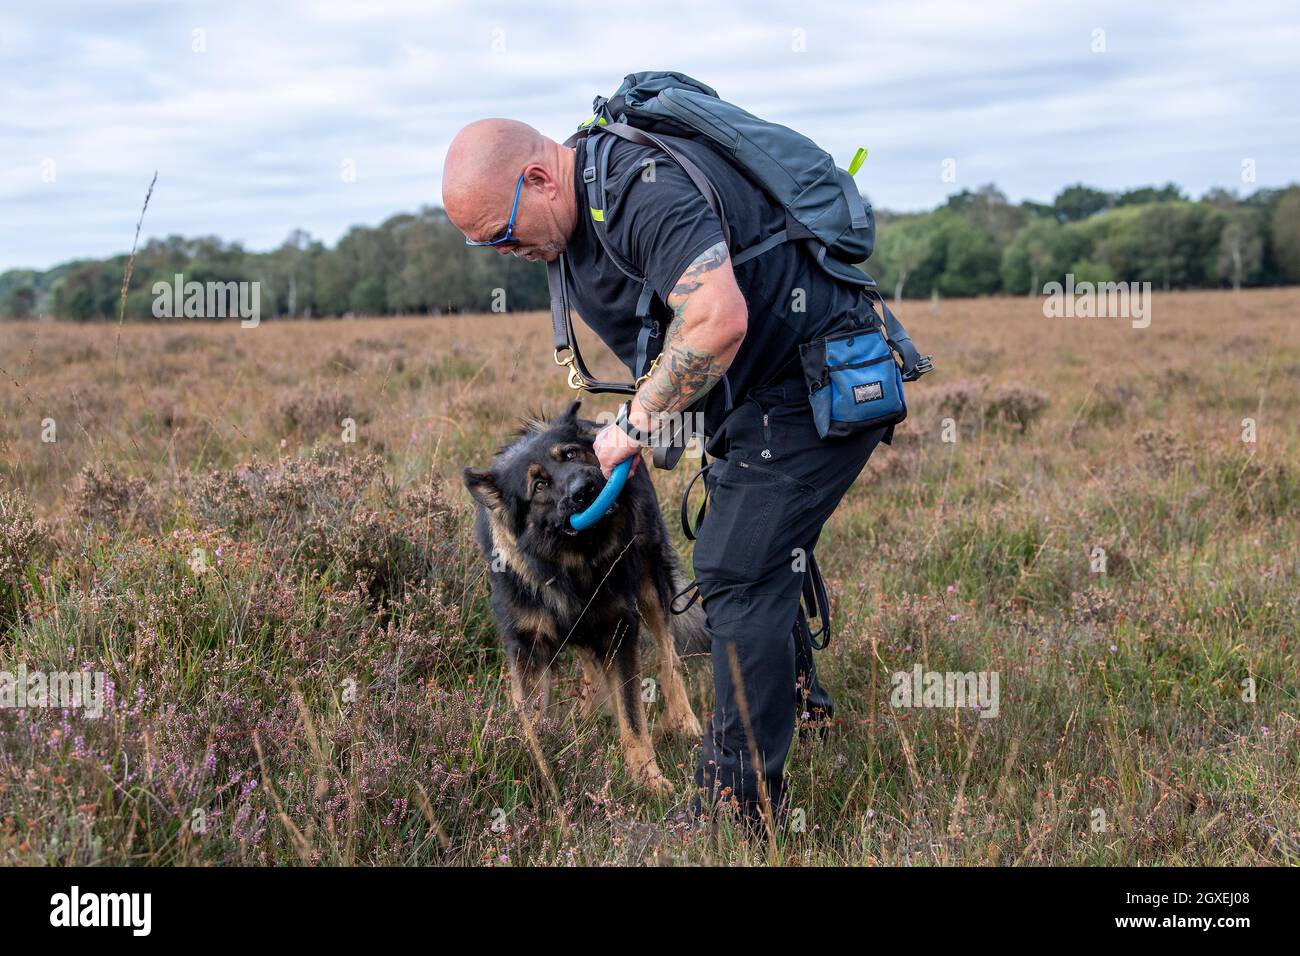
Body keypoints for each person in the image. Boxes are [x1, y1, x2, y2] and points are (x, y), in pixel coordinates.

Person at [443, 117, 889, 829]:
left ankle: (734, 807)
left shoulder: (636, 193)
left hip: (824, 381)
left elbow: (716, 320)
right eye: (484, 245)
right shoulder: (571, 225)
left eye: (502, 233)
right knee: (748, 545)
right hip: (758, 397)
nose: (505, 252)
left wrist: (635, 421)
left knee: (734, 571)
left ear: (538, 178)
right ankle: (801, 700)